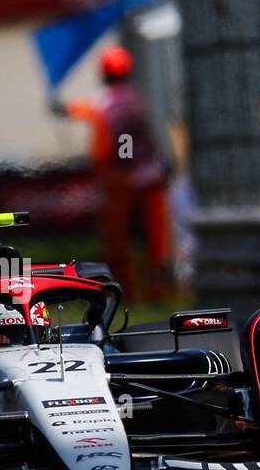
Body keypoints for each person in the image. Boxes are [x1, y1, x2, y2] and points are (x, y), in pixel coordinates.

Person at [49, 44, 170, 301]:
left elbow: (85, 111)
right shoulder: (137, 97)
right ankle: (159, 293)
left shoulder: (105, 101)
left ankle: (126, 293)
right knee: (156, 244)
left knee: (118, 242)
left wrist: (61, 107)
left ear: (103, 73)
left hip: (121, 181)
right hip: (151, 177)